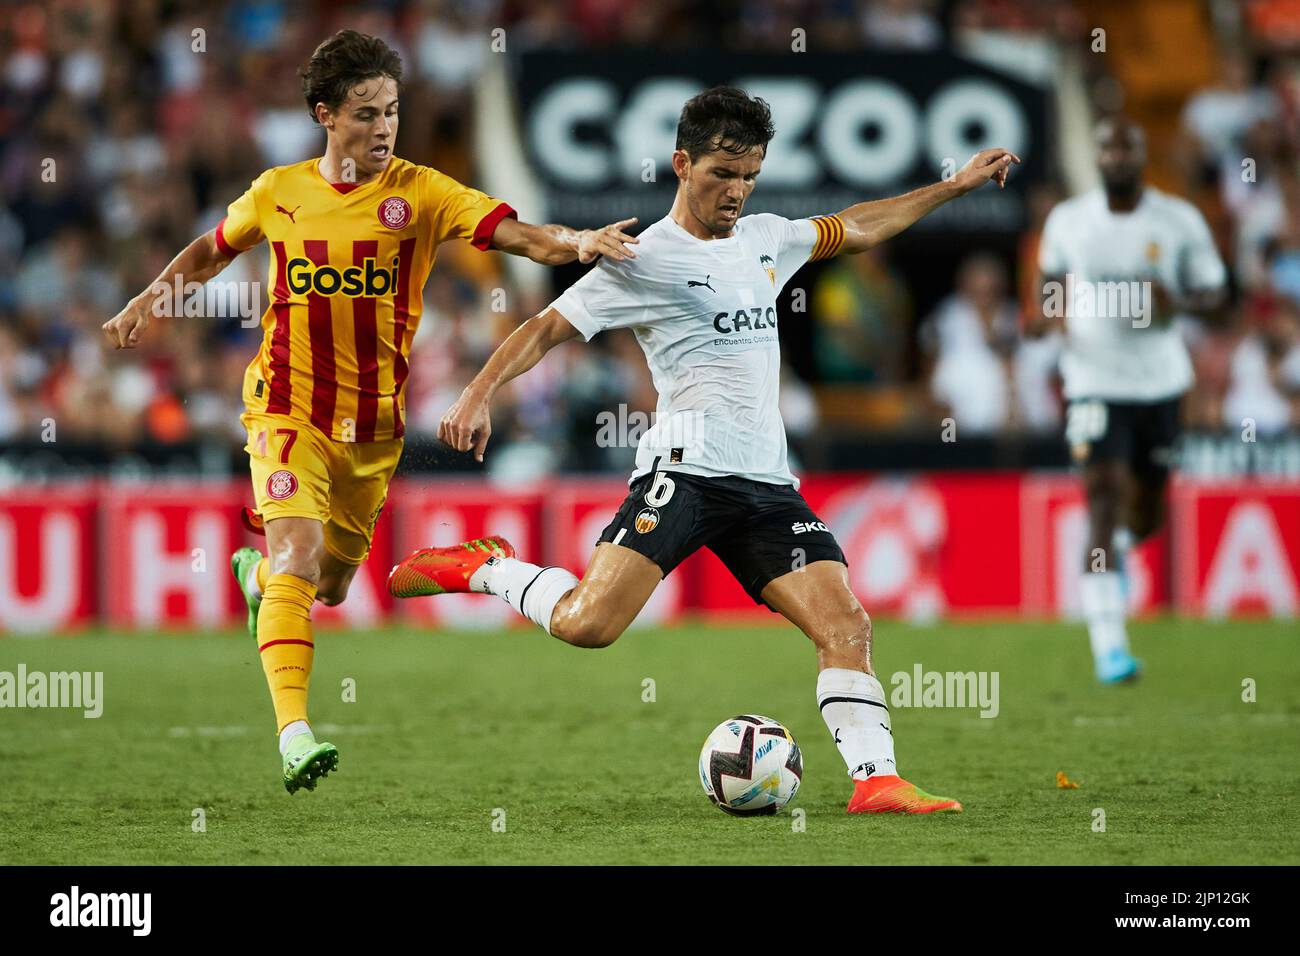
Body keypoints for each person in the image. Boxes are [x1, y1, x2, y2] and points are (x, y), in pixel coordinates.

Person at [389, 86, 1020, 814]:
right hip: (683, 473)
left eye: (750, 175)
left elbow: (860, 225)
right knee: (588, 626)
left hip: (766, 486)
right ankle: (488, 568)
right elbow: (545, 327)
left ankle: (875, 779)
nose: (737, 191)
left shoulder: (767, 240)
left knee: (846, 625)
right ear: (682, 164)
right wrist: (477, 394)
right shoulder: (642, 259)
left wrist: (955, 185)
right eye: (723, 173)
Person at [101, 30, 638, 794]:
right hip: (284, 407)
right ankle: (293, 734)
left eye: (391, 110)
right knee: (295, 556)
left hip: (373, 432)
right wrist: (146, 301)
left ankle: (262, 584)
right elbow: (210, 251)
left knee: (329, 587)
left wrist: (578, 239)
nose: (384, 127)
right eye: (365, 113)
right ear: (325, 114)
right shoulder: (278, 191)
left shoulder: (423, 191)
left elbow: (518, 235)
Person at [1033, 117, 1226, 683]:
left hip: (1160, 383)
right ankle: (1109, 647)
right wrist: (1046, 316)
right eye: (1108, 147)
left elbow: (1217, 292)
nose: (1116, 156)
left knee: (1144, 514)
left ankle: (1118, 542)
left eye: (1127, 147)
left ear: (1142, 156)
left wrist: (1182, 302)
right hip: (1092, 379)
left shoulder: (1177, 220)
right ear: (1097, 157)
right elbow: (1050, 279)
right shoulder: (1070, 220)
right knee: (1101, 494)